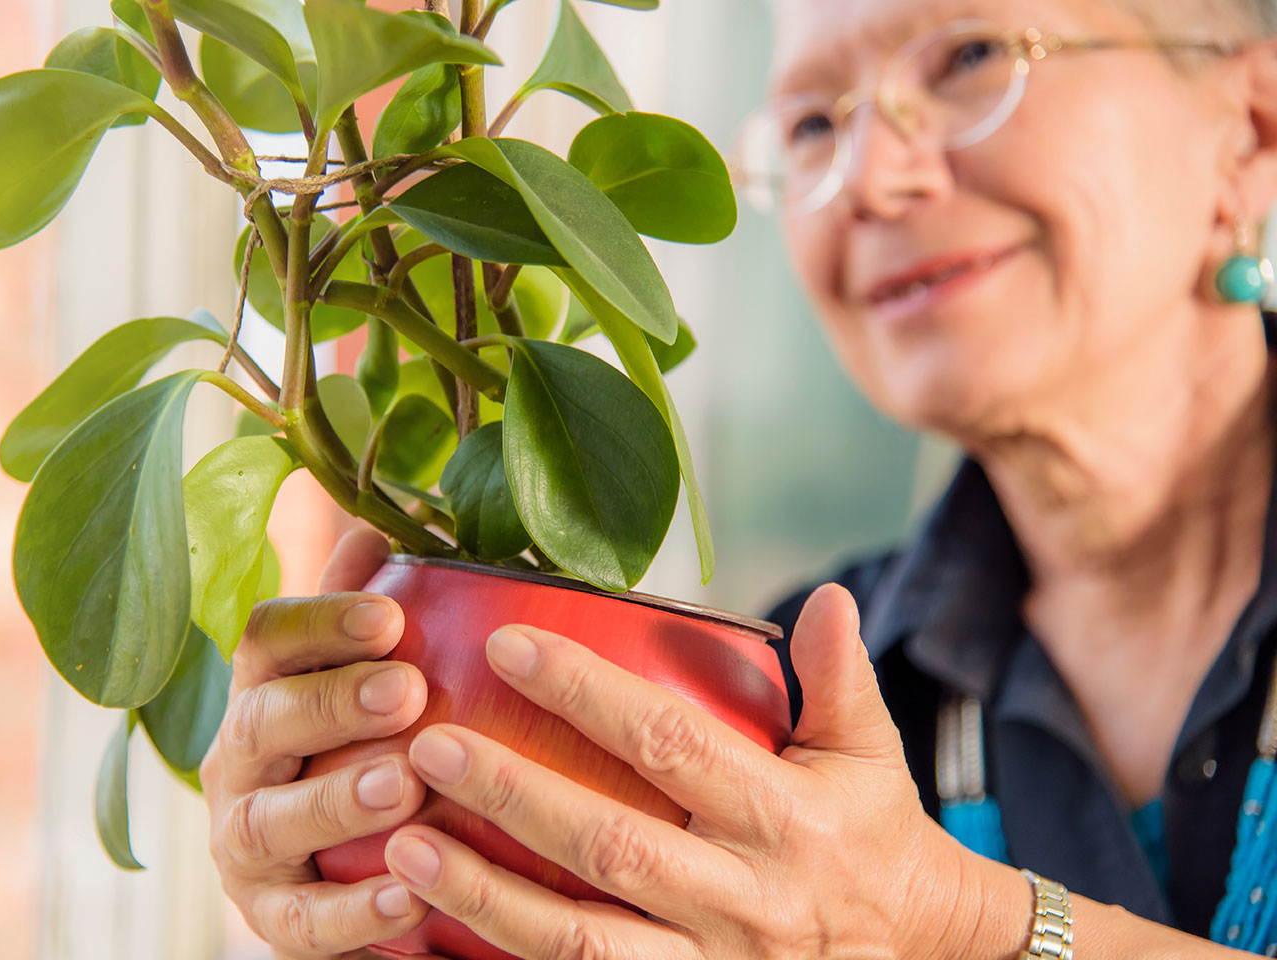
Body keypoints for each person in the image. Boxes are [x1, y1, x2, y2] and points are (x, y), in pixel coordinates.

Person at [196, 0, 1277, 956]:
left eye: (972, 57)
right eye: (813, 124)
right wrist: (401, 902)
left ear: (1251, 132)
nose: (873, 179)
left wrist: (958, 926)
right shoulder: (805, 698)